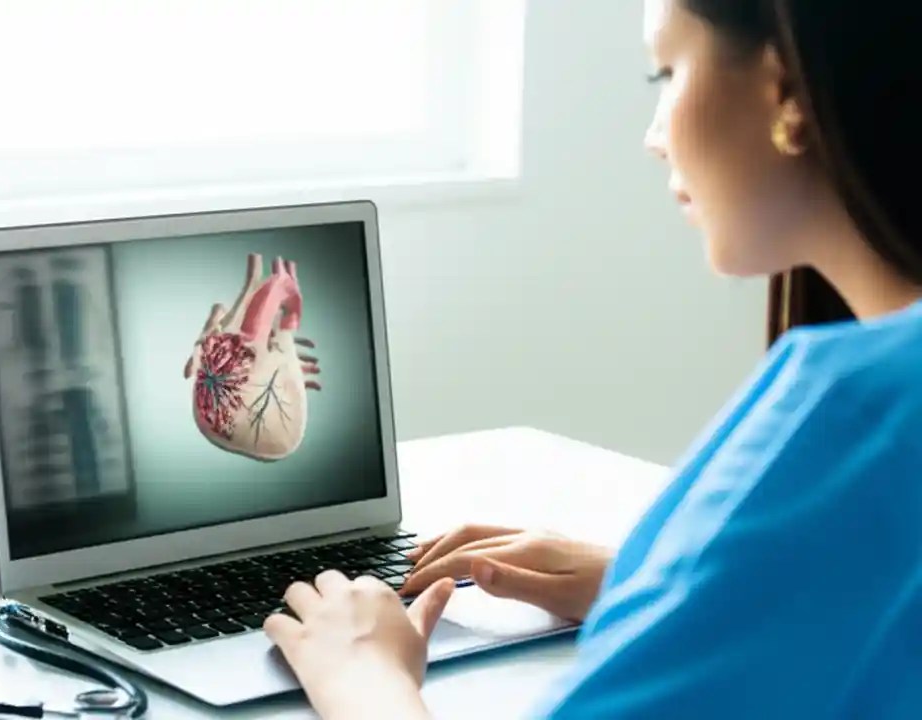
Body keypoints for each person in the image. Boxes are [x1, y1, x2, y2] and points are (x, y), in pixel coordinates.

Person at [262, 0, 922, 717]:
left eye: (666, 73)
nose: (654, 136)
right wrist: (670, 588)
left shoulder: (855, 417)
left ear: (786, 88)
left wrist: (361, 677)